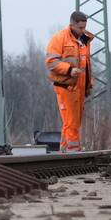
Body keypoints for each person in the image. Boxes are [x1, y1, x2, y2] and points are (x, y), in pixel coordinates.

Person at [45, 10, 94, 152]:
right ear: (71, 25)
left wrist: (88, 85)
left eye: (84, 27)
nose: (83, 30)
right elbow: (51, 62)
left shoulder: (84, 40)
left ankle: (65, 150)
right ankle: (74, 152)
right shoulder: (59, 39)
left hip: (80, 88)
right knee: (71, 122)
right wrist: (69, 70)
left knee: (74, 122)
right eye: (80, 28)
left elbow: (86, 65)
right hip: (66, 87)